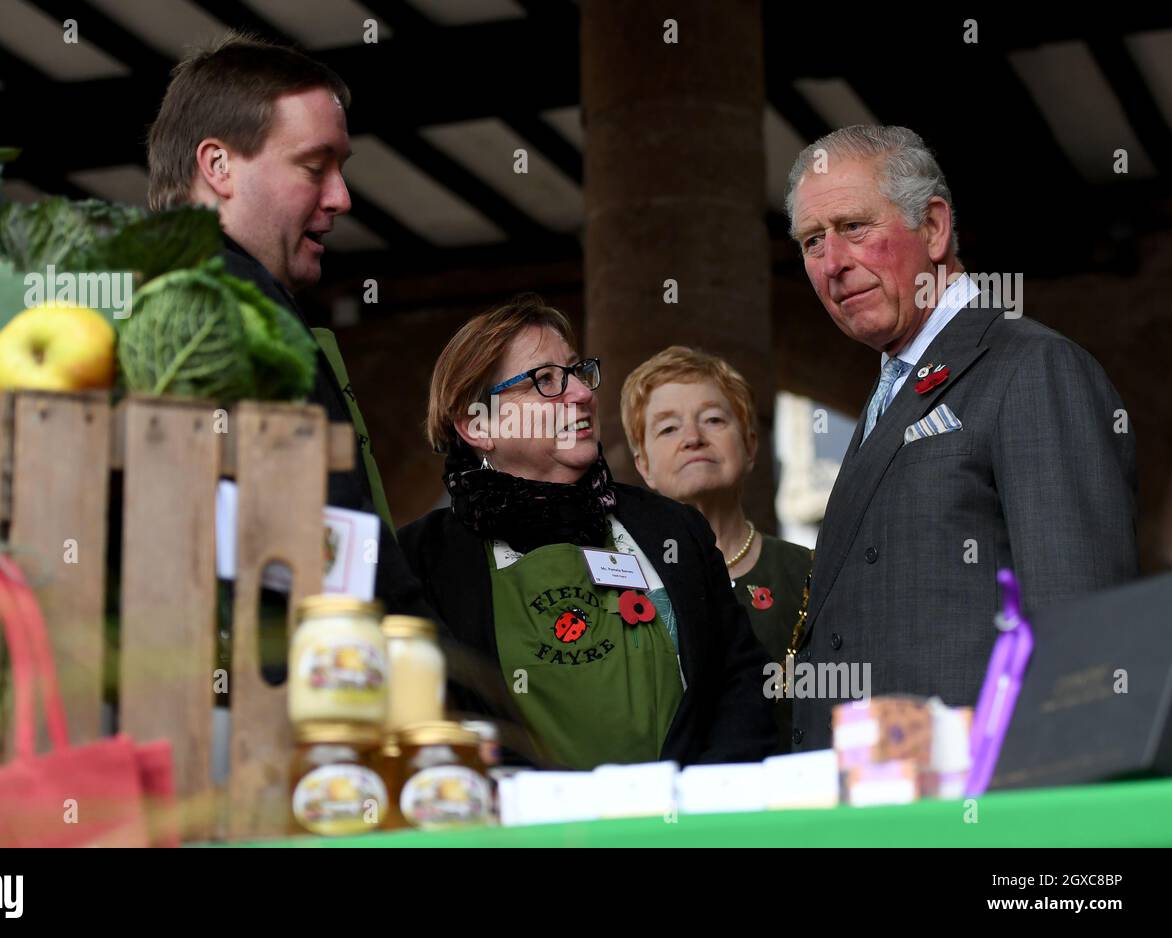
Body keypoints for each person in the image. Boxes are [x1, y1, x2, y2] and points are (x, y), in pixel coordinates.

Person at [784, 125, 1138, 750]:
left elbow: (1079, 630)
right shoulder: (893, 386)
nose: (832, 263)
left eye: (855, 227)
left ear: (935, 227)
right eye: (813, 241)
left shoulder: (1030, 367)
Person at [398, 295, 775, 769]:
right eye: (546, 381)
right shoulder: (420, 562)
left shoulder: (669, 528)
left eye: (577, 372)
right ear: (478, 426)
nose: (581, 393)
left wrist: (705, 799)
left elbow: (738, 678)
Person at [146, 32, 430, 618]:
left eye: (340, 169)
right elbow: (325, 547)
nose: (341, 197)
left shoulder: (157, 298)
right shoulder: (231, 304)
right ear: (218, 166)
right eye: (313, 166)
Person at [621, 346, 812, 751]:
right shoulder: (624, 582)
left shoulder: (812, 572)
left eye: (713, 419)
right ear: (643, 466)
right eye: (668, 428)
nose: (693, 438)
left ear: (750, 446)